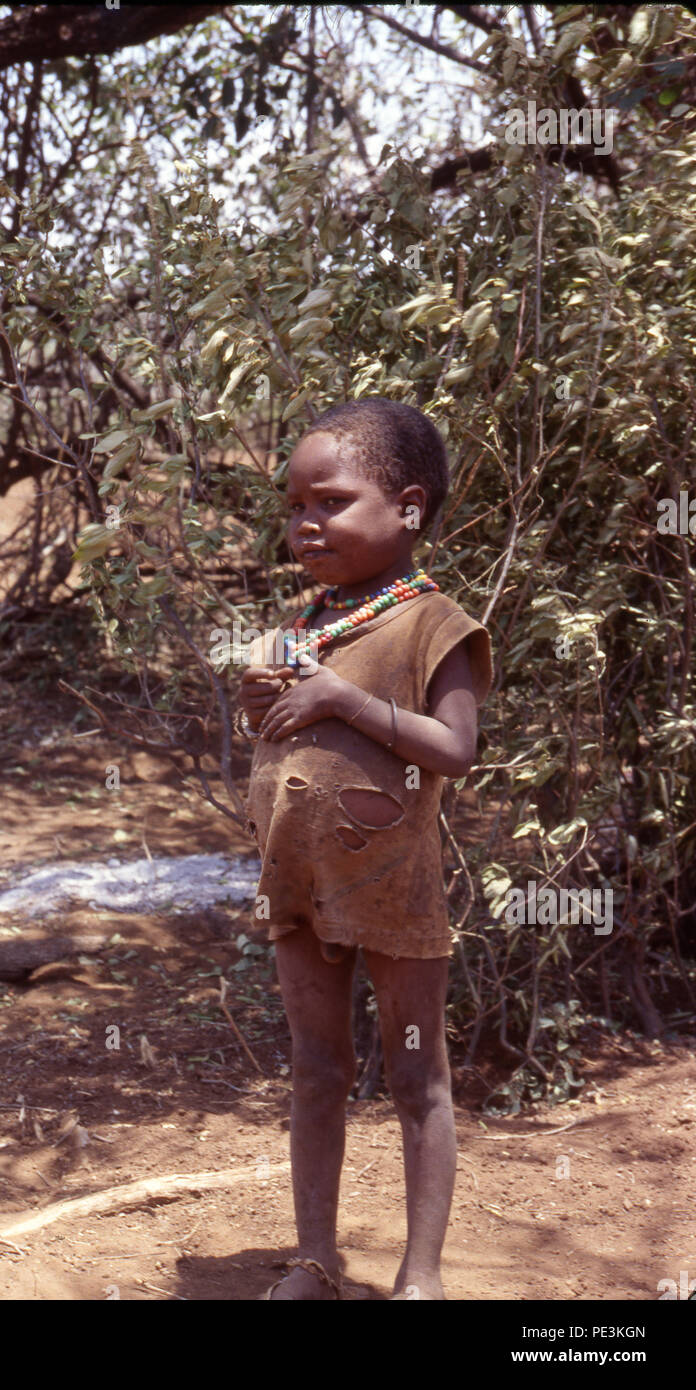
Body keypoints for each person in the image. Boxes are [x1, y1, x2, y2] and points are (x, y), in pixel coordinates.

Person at [236, 396, 493, 1300]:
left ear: (410, 507)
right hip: (297, 885)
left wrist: (343, 702)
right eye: (296, 505)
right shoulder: (303, 624)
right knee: (316, 1068)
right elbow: (274, 738)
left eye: (332, 502)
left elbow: (454, 751)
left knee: (416, 1072)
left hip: (393, 888)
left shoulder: (433, 624)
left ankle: (419, 1276)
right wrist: (258, 698)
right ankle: (316, 1258)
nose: (307, 523)